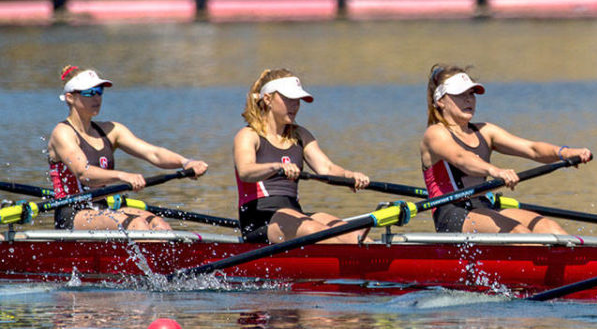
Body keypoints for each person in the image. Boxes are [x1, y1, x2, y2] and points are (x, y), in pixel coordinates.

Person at [421, 65, 593, 234]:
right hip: (453, 214)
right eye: (460, 94)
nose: (469, 100)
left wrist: (565, 153)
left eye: (471, 94)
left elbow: (532, 149)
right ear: (440, 101)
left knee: (549, 227)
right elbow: (461, 158)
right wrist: (495, 171)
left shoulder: (485, 131)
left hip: (484, 206)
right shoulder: (435, 134)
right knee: (519, 233)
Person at [47, 65, 209, 231]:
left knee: (160, 224)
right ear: (70, 98)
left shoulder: (111, 130)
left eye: (99, 91)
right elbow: (84, 173)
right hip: (72, 213)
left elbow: (153, 154)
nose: (97, 98)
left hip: (101, 208)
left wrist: (186, 162)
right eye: (89, 92)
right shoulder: (63, 133)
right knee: (137, 224)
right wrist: (123, 176)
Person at [234, 69, 370, 244]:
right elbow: (245, 171)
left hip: (294, 215)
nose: (295, 106)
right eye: (289, 99)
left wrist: (349, 175)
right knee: (317, 231)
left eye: (297, 101)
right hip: (261, 220)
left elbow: (326, 169)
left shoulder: (300, 135)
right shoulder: (248, 135)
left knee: (352, 234)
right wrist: (277, 167)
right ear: (267, 99)